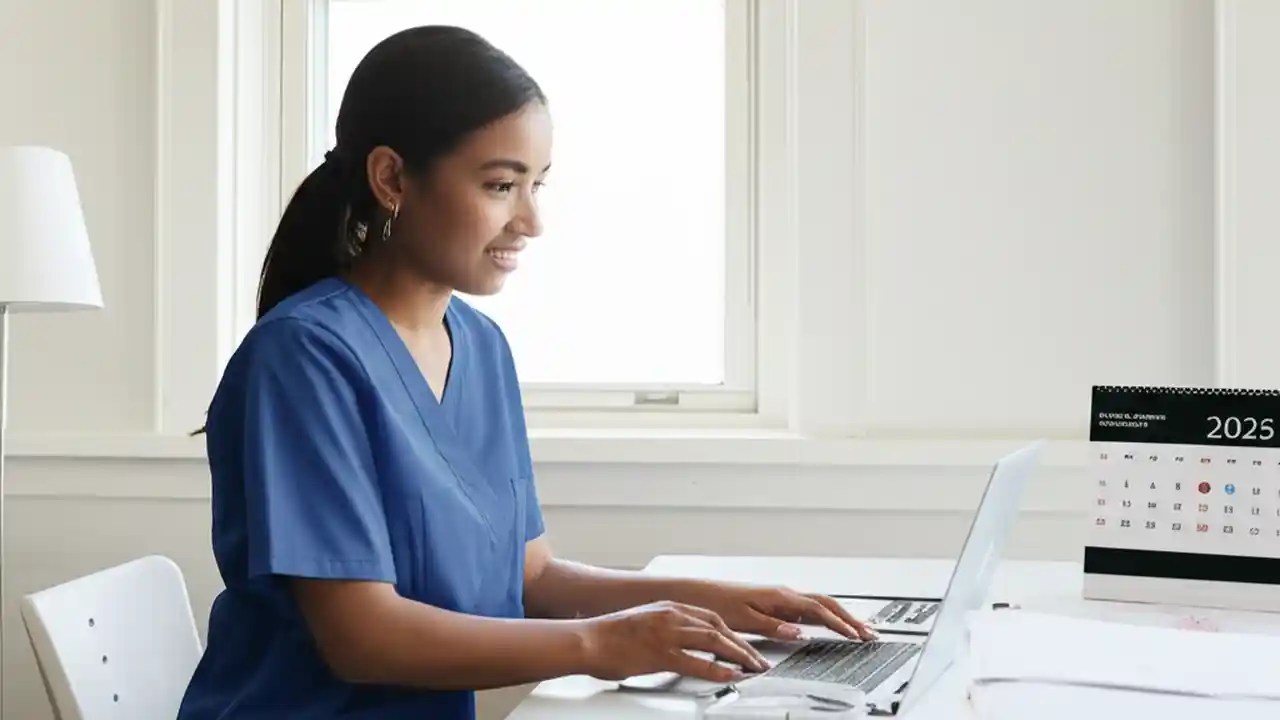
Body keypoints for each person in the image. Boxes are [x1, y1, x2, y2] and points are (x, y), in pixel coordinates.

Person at [176, 25, 874, 720]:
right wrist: (600, 644)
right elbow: (363, 637)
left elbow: (531, 576)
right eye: (501, 185)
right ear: (391, 178)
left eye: (537, 184)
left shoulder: (480, 347)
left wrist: (712, 600)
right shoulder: (304, 358)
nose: (531, 220)